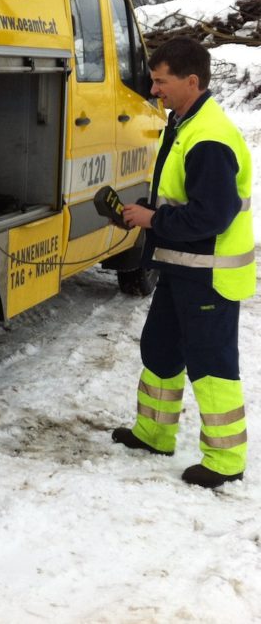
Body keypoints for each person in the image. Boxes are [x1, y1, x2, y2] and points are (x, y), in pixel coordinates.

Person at [113, 37, 255, 488]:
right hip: (181, 266)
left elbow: (213, 214)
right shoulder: (185, 121)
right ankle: (154, 433)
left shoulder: (210, 136)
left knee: (211, 364)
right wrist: (148, 211)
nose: (155, 90)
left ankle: (224, 461)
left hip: (208, 272)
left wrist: (154, 217)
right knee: (159, 349)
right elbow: (185, 196)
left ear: (191, 81)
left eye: (161, 81)